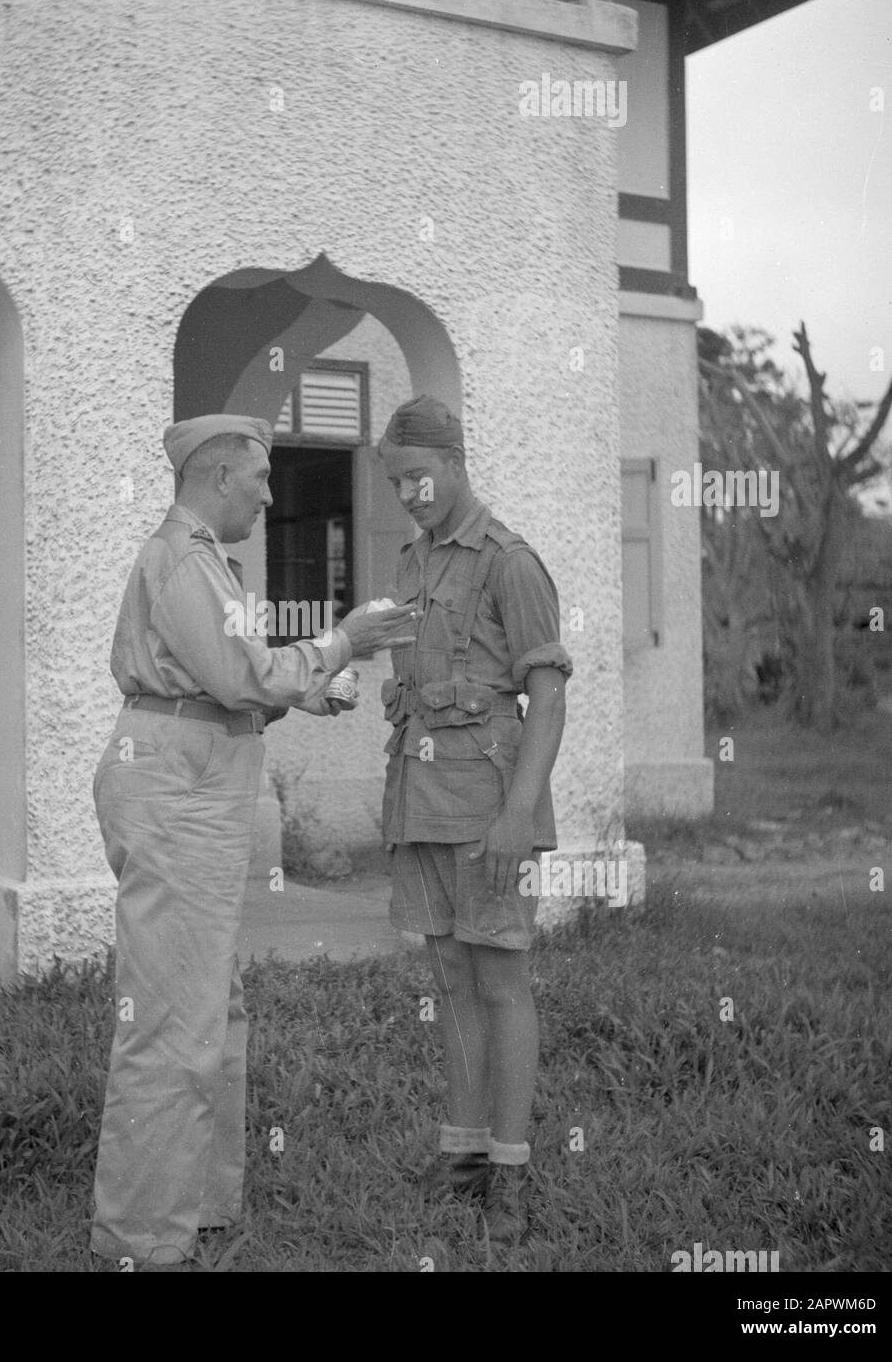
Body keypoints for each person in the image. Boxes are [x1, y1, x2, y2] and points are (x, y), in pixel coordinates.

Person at [90, 412, 417, 1269]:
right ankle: (141, 1244)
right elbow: (240, 677)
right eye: (262, 479)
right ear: (217, 477)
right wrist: (343, 640)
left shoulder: (199, 564)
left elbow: (234, 681)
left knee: (209, 1008)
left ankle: (198, 1211)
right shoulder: (184, 561)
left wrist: (301, 687)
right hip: (177, 786)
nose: (273, 496)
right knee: (172, 1022)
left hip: (191, 775)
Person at [365, 393, 572, 1243]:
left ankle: (510, 1174)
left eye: (418, 476)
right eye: (395, 482)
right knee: (449, 978)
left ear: (453, 463)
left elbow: (547, 694)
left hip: (489, 805)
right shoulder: (411, 564)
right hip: (420, 798)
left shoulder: (507, 561)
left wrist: (519, 814)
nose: (408, 494)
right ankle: (461, 1156)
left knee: (499, 980)